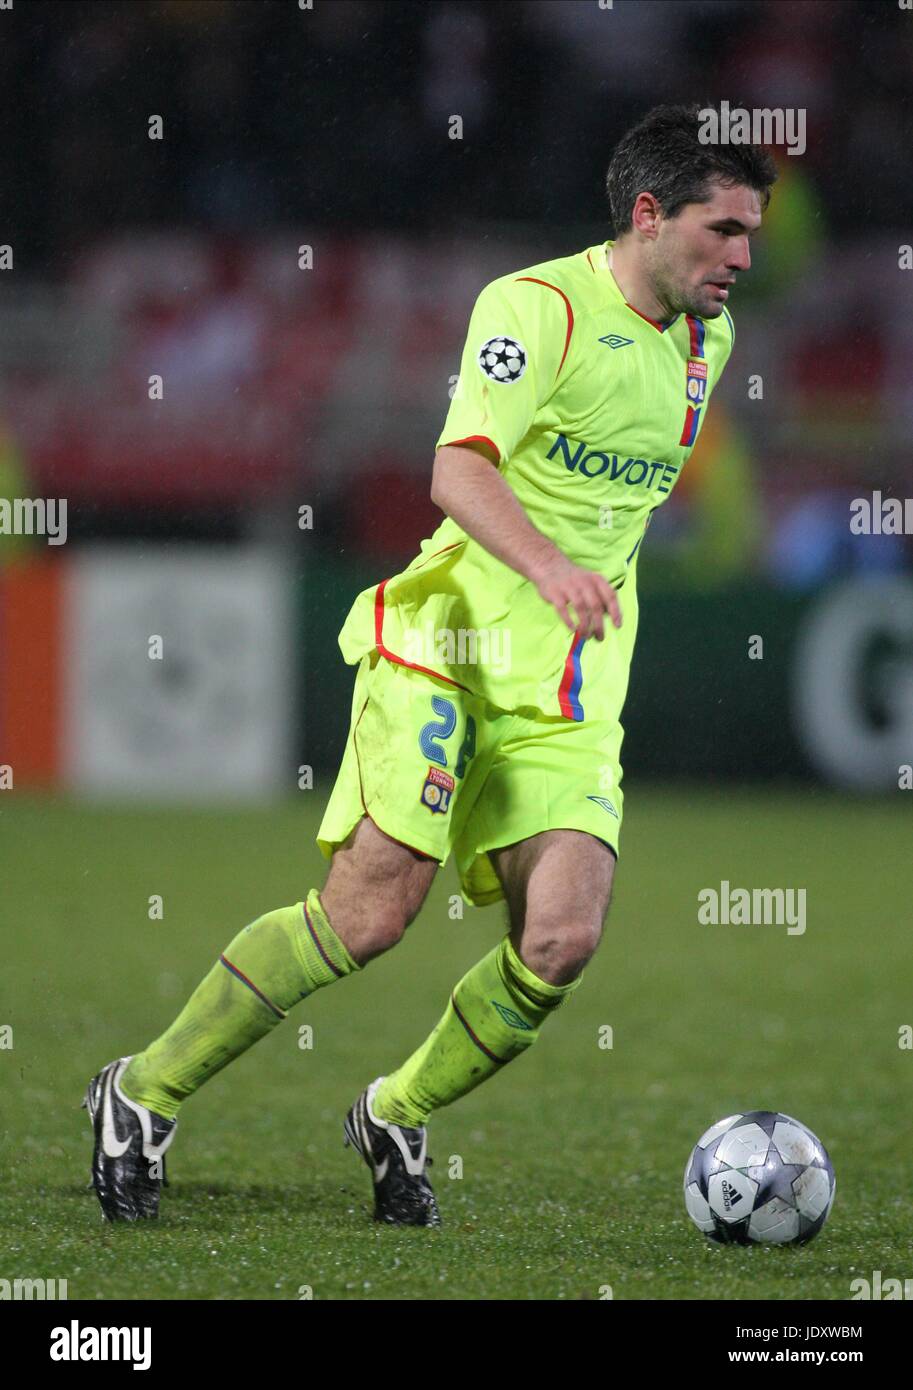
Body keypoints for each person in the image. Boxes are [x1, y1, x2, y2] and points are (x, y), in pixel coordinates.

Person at [85, 103, 776, 1226]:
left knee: (560, 939)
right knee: (368, 916)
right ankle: (141, 1090)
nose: (743, 257)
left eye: (751, 234)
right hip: (447, 645)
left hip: (572, 683)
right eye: (722, 230)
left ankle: (394, 1110)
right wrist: (549, 566)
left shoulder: (710, 339)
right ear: (649, 216)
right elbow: (458, 475)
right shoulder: (533, 308)